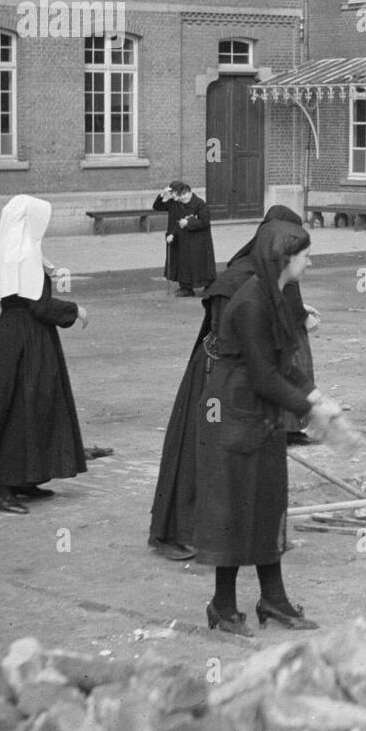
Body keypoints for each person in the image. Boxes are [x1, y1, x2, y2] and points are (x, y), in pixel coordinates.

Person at [195, 219, 338, 634]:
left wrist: (316, 397)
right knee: (235, 507)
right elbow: (263, 376)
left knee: (267, 502)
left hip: (259, 414)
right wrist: (311, 409)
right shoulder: (253, 301)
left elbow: (282, 365)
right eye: (306, 256)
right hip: (235, 412)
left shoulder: (273, 293)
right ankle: (221, 606)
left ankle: (272, 599)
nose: (310, 263)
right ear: (285, 258)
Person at [148, 206, 304, 561]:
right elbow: (228, 338)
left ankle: (246, 535)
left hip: (247, 387)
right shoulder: (237, 280)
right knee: (205, 454)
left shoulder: (272, 275)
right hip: (215, 383)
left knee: (246, 464)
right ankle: (183, 531)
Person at [0, 195, 89, 515]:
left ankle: (22, 478)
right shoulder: (23, 254)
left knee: (26, 406)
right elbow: (39, 304)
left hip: (15, 335)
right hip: (29, 339)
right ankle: (0, 488)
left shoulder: (8, 250)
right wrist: (75, 310)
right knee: (21, 408)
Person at [153, 181, 216, 296]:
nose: (177, 198)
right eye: (174, 195)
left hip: (197, 240)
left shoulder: (200, 204)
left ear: (187, 192)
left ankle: (209, 285)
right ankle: (186, 288)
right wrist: (162, 194)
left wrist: (188, 222)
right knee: (181, 263)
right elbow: (157, 206)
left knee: (199, 263)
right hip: (178, 238)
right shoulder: (174, 203)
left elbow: (204, 221)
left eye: (179, 195)